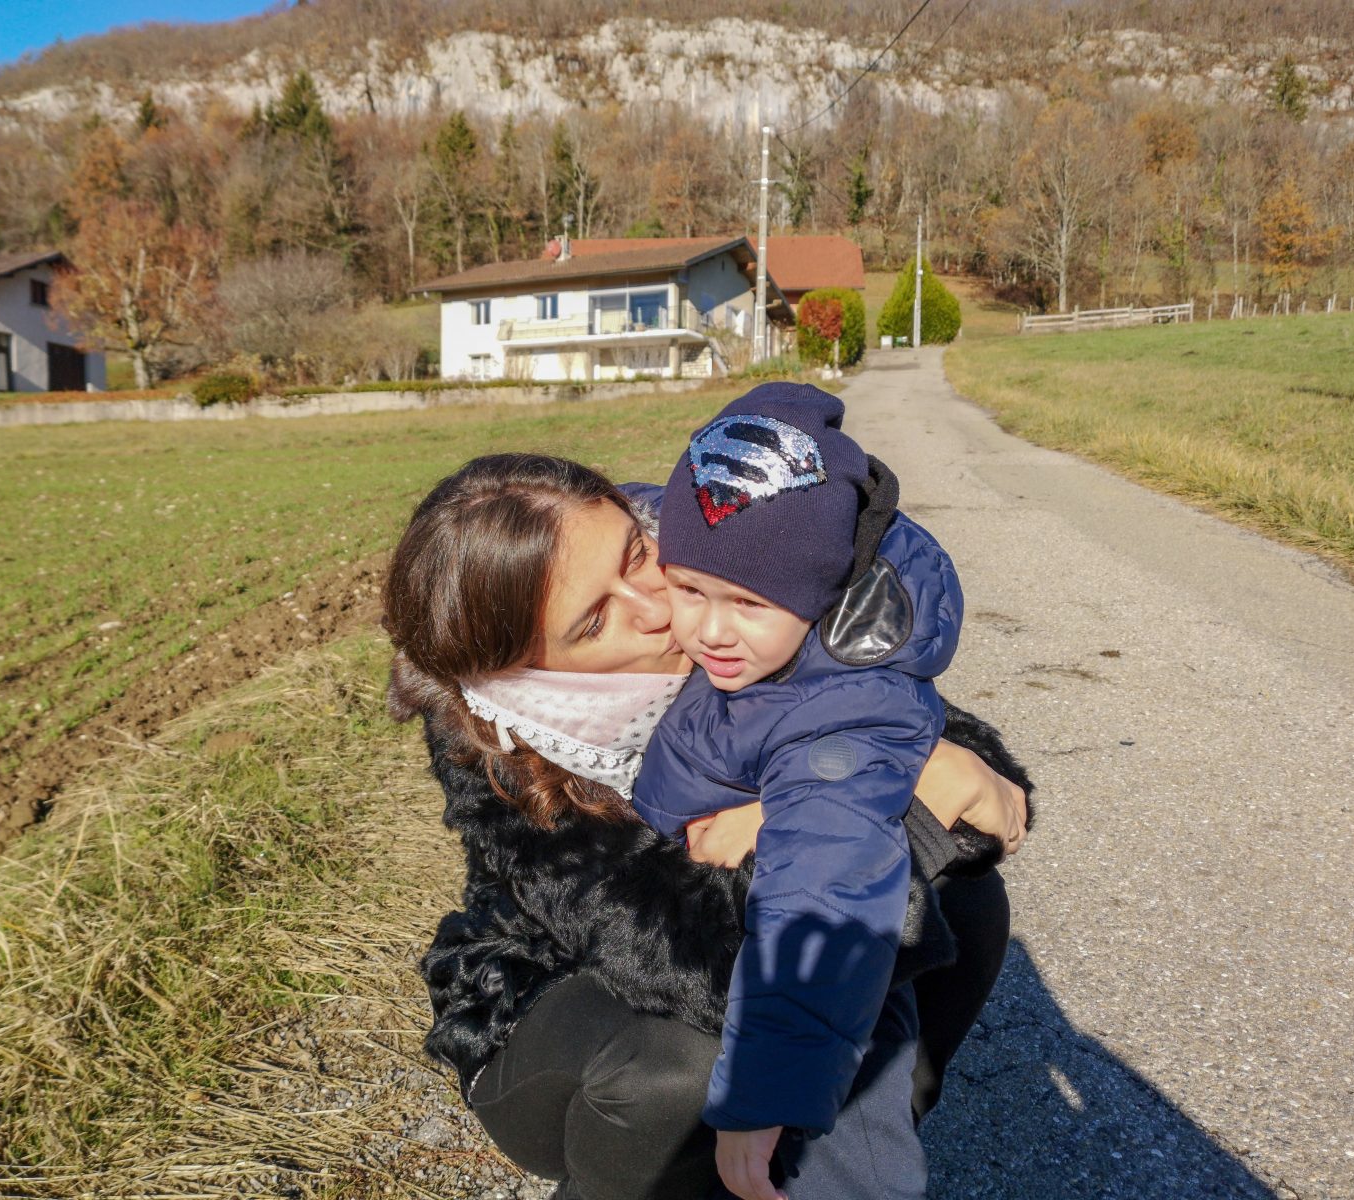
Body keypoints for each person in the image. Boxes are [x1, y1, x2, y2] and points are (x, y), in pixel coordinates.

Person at [383, 451, 1031, 1200]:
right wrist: (906, 803)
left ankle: (823, 1149)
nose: (657, 606)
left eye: (638, 553)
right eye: (596, 620)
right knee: (686, 1062)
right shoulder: (506, 750)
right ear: (529, 672)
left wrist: (840, 795)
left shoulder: (716, 586)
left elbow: (972, 776)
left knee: (960, 909)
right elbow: (698, 960)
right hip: (551, 1004)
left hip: (736, 926)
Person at [626, 382, 971, 1199]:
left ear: (819, 596)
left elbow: (827, 884)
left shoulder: (839, 712)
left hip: (812, 986)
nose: (710, 629)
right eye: (687, 590)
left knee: (846, 1148)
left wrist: (765, 1091)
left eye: (748, 602)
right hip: (717, 923)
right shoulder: (747, 615)